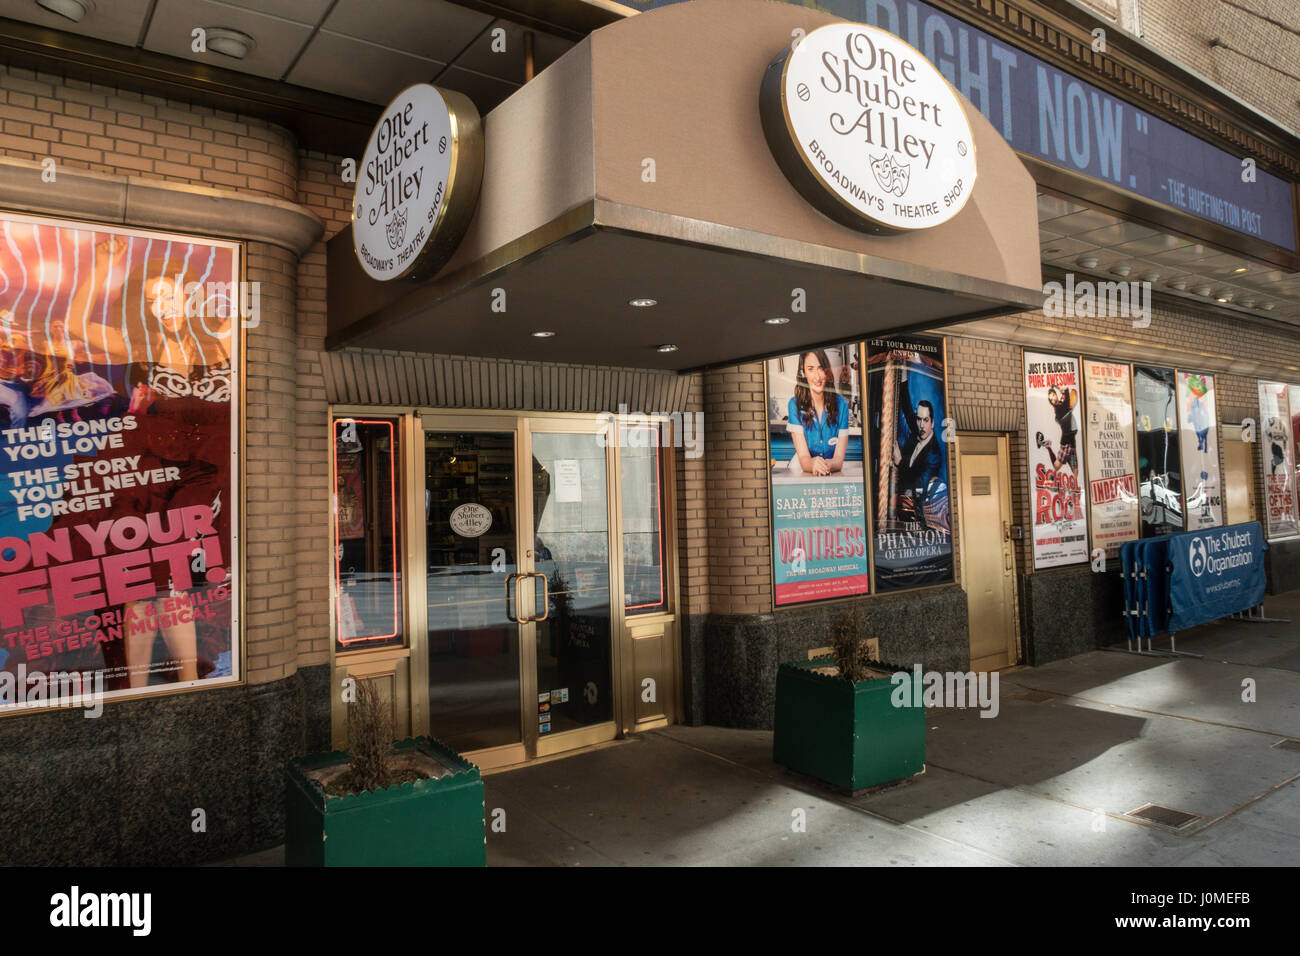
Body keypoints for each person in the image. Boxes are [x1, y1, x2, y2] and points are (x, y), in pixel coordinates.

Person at [77, 237, 233, 688]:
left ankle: (184, 687)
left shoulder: (223, 341)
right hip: (152, 483)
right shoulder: (140, 346)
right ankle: (136, 692)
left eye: (170, 294)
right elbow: (75, 322)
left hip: (205, 483)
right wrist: (100, 268)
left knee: (172, 586)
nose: (162, 306)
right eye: (152, 300)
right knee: (143, 588)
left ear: (189, 294)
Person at [891, 354, 943, 524]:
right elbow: (906, 406)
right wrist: (903, 369)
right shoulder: (917, 435)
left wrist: (900, 461)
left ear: (933, 423)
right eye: (919, 419)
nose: (921, 425)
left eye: (925, 420)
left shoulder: (933, 454)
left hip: (919, 518)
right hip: (903, 511)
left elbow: (918, 482)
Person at [786, 349, 849, 476]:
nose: (817, 377)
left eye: (820, 368)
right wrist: (813, 464)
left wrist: (827, 465)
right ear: (803, 373)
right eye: (810, 369)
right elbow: (804, 459)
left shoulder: (841, 405)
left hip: (829, 470)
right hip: (802, 471)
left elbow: (838, 460)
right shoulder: (794, 405)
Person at [1036, 384, 1079, 473]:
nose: (1052, 399)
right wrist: (1065, 391)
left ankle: (1075, 486)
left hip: (1072, 442)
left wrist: (1062, 391)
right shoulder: (1058, 409)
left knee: (1075, 470)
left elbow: (1064, 400)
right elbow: (1066, 402)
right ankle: (1048, 446)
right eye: (1050, 399)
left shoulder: (1061, 403)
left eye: (1052, 395)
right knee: (1056, 466)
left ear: (1056, 395)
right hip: (1066, 443)